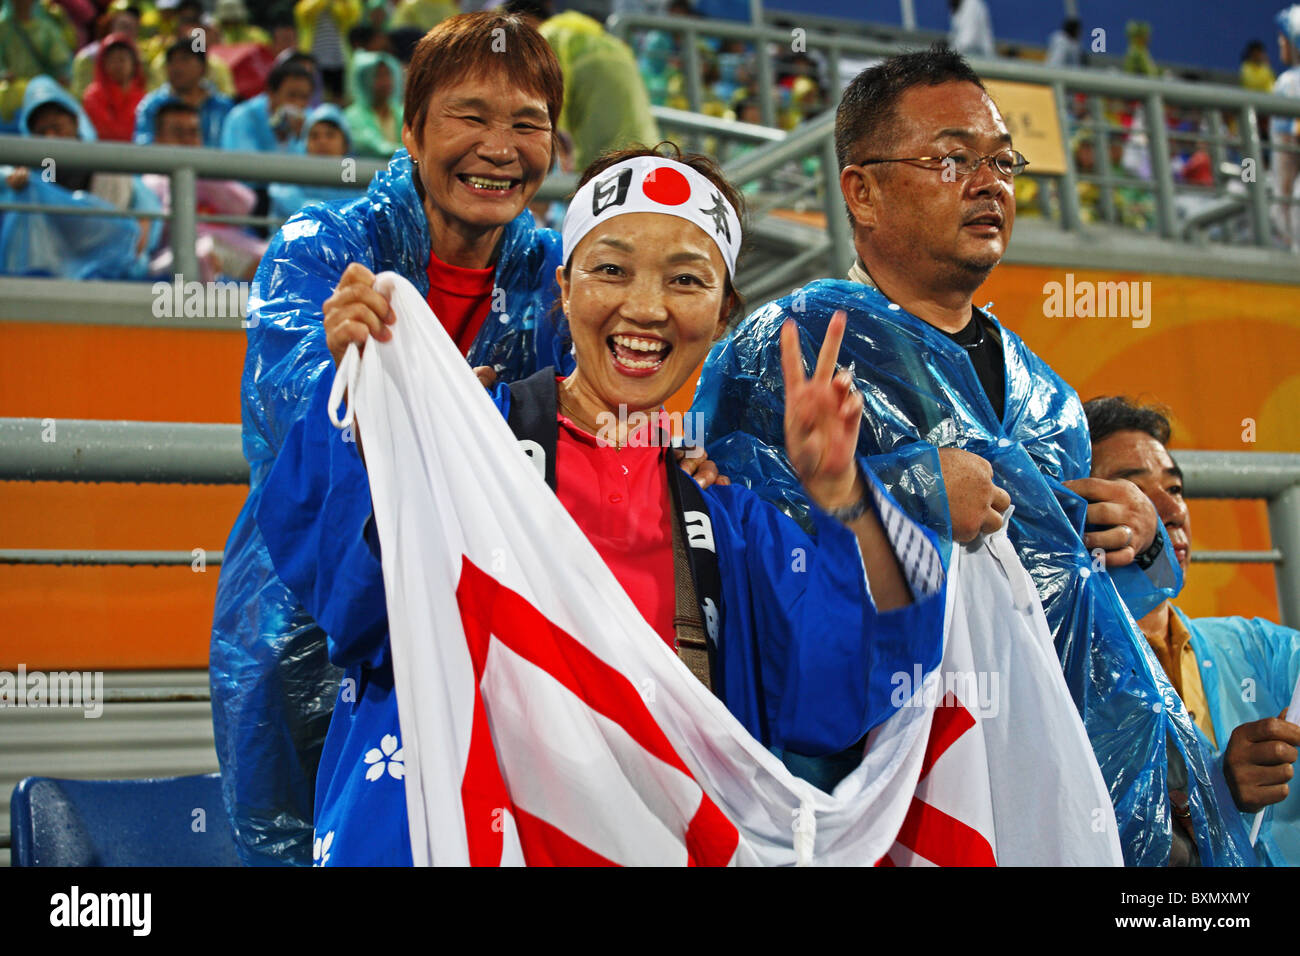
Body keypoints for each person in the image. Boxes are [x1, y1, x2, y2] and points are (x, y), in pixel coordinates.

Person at [256, 147, 946, 864]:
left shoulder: (723, 516)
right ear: (565, 285)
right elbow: (350, 602)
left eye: (686, 280)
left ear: (721, 312)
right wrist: (366, 415)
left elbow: (849, 687)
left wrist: (848, 500)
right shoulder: (469, 444)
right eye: (611, 269)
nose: (644, 308)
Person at [692, 46, 1255, 868]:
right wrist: (907, 498)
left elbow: (1065, 597)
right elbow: (745, 572)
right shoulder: (788, 350)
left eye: (1002, 161)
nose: (989, 183)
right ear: (863, 190)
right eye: (952, 159)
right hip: (912, 809)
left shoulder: (1048, 392)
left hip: (1096, 807)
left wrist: (1136, 535)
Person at [210, 10, 596, 867]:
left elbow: (595, 423)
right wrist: (347, 366)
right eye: (471, 116)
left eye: (528, 123)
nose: (501, 147)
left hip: (493, 624)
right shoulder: (324, 249)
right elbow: (295, 421)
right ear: (411, 128)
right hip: (309, 621)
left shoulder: (558, 275)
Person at [1084, 396, 1300, 867]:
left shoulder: (1256, 649)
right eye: (1133, 490)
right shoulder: (1066, 670)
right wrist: (1215, 791)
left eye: (1175, 488)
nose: (1171, 509)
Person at [0, 74, 160, 278]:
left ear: (76, 123)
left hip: (107, 271)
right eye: (41, 132)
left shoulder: (108, 167)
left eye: (56, 128)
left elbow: (146, 214)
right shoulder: (30, 177)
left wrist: (137, 231)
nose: (50, 137)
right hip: (50, 269)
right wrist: (14, 180)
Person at [506, 0, 661, 170]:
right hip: (647, 151)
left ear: (523, 21)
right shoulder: (599, 37)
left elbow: (549, 107)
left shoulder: (547, 38)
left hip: (605, 160)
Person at [143, 100, 267, 281]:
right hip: (173, 257)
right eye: (178, 133)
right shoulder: (150, 183)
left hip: (232, 250)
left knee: (282, 257)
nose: (187, 141)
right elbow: (159, 232)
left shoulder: (209, 175)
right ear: (159, 139)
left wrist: (202, 176)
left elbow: (244, 206)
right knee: (202, 254)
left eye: (193, 133)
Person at [268, 104, 361, 221]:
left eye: (330, 135)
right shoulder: (290, 177)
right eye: (314, 136)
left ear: (345, 145)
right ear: (305, 145)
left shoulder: (357, 178)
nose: (322, 141)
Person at [134, 40, 233, 146]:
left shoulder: (224, 107)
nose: (177, 67)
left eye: (185, 60)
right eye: (171, 61)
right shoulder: (151, 105)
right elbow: (143, 145)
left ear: (203, 67)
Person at [0, 0, 73, 128]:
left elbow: (61, 60)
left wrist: (62, 75)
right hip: (13, 87)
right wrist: (3, 74)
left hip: (45, 87)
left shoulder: (46, 28)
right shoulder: (3, 26)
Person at [219, 59, 314, 153]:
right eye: (292, 95)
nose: (298, 103)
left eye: (304, 97)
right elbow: (245, 163)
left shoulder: (311, 120)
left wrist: (300, 137)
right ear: (271, 93)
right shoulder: (243, 118)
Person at [81, 31, 146, 142]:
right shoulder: (93, 95)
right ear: (103, 64)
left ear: (133, 63)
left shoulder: (144, 98)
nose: (118, 65)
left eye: (122, 59)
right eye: (112, 60)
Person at [1272, 6, 1300, 250]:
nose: (1280, 41)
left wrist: (1282, 206)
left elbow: (1287, 153)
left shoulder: (1289, 83)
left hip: (1294, 203)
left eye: (1285, 36)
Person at [342, 48, 403, 159]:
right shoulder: (352, 116)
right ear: (364, 80)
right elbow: (373, 147)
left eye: (387, 75)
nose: (385, 82)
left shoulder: (401, 113)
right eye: (378, 76)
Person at [70, 2, 141, 97]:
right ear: (109, 26)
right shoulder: (87, 58)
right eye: (124, 26)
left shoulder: (140, 56)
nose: (130, 32)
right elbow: (82, 97)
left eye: (134, 27)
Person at [294, 0, 359, 101]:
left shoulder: (339, 5)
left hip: (338, 58)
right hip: (315, 58)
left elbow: (352, 17)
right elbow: (304, 13)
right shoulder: (308, 3)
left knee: (338, 95)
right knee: (316, 94)